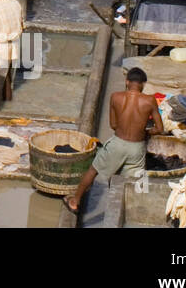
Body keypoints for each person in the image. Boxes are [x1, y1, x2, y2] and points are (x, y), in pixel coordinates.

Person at [65, 66, 164, 213]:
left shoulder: (116, 97)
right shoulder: (150, 101)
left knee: (93, 170)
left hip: (117, 143)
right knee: (135, 183)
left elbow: (113, 125)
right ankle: (133, 213)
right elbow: (160, 129)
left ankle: (75, 200)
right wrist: (145, 131)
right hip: (137, 148)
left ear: (127, 81)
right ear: (143, 84)